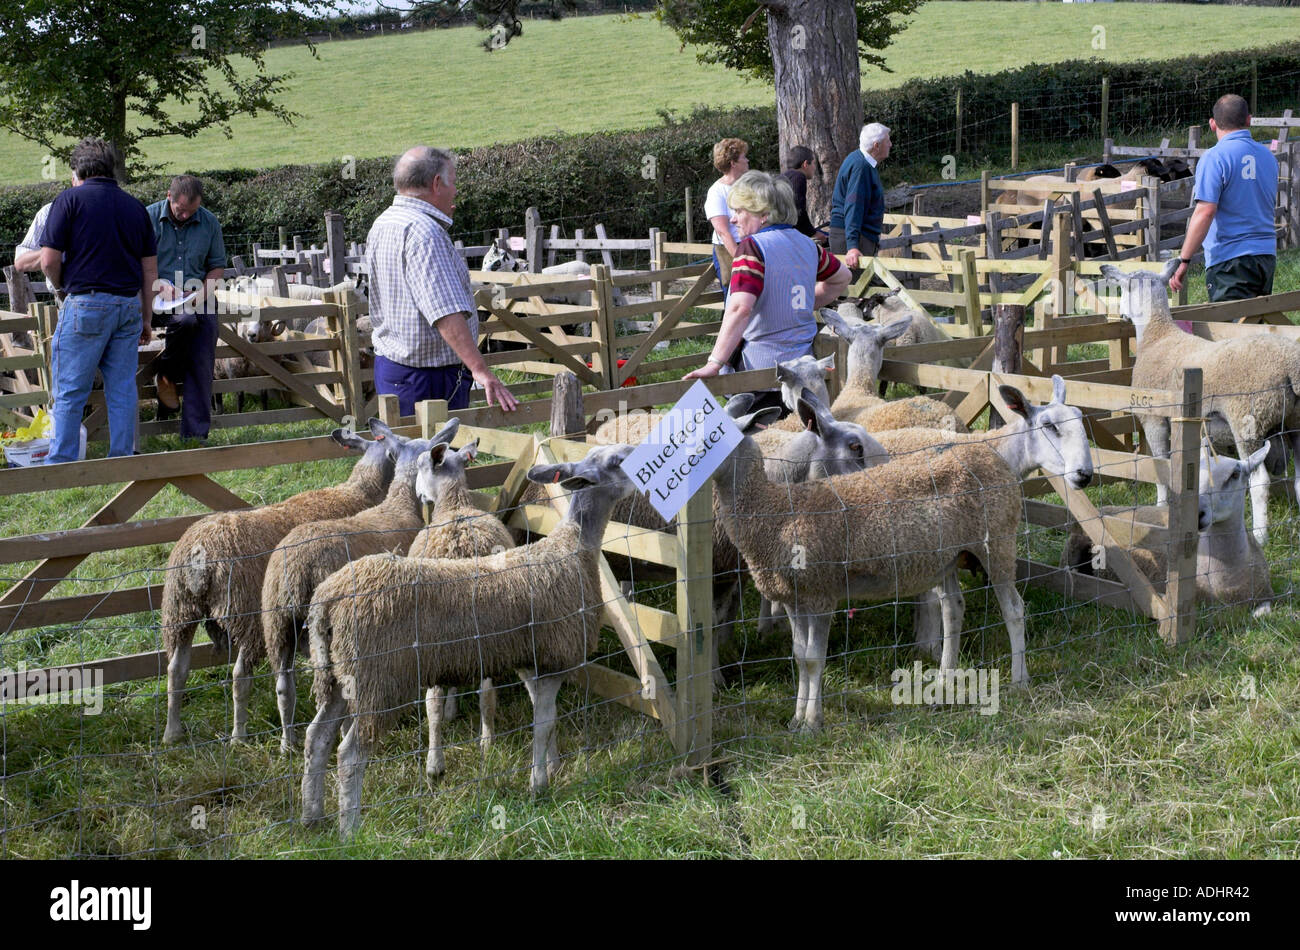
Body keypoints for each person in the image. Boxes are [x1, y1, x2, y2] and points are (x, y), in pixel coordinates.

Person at [365, 146, 517, 416]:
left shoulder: (383, 223)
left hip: (393, 369)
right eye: (454, 182)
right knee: (437, 456)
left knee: (404, 455)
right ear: (437, 183)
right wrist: (479, 369)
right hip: (428, 381)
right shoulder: (425, 233)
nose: (456, 191)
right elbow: (444, 312)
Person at [683, 170, 851, 415]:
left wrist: (715, 362)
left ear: (763, 214)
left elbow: (740, 308)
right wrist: (802, 304)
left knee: (756, 448)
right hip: (803, 370)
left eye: (739, 211)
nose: (733, 219)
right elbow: (842, 278)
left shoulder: (751, 248)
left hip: (759, 376)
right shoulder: (806, 244)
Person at [40, 137, 157, 462]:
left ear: (78, 168)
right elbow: (150, 273)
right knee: (121, 389)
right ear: (111, 168)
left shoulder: (69, 201)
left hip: (86, 303)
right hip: (128, 306)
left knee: (70, 389)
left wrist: (64, 288)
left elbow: (48, 261)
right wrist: (147, 318)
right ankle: (121, 460)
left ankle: (61, 463)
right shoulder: (135, 207)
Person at [1170, 94, 1279, 301]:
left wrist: (1184, 260)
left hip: (1231, 259)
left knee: (1230, 329)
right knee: (1255, 326)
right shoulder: (1268, 157)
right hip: (1265, 256)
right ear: (1249, 120)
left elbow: (1206, 211)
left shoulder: (1214, 157)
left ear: (1212, 124)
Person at [147, 175, 227, 443]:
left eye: (191, 212)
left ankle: (195, 434)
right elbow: (133, 263)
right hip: (154, 299)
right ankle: (167, 375)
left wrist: (201, 294)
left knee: (203, 350)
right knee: (187, 321)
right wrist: (158, 284)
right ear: (169, 195)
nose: (184, 216)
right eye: (180, 210)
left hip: (196, 296)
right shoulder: (147, 218)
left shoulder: (209, 222)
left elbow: (216, 267)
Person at [829, 123, 891, 268]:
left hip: (854, 236)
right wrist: (852, 246)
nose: (890, 144)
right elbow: (854, 206)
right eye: (887, 141)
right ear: (876, 145)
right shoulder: (861, 167)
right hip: (853, 239)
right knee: (856, 288)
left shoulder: (861, 161)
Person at [704, 138, 749, 294]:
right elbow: (723, 232)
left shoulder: (749, 186)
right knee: (734, 296)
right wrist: (741, 262)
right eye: (744, 157)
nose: (747, 160)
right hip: (729, 249)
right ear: (733, 163)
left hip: (750, 245)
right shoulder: (716, 192)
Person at [779, 145, 817, 238]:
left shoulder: (784, 177)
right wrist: (812, 233)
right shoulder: (798, 177)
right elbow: (799, 210)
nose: (815, 167)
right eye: (813, 163)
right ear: (805, 164)